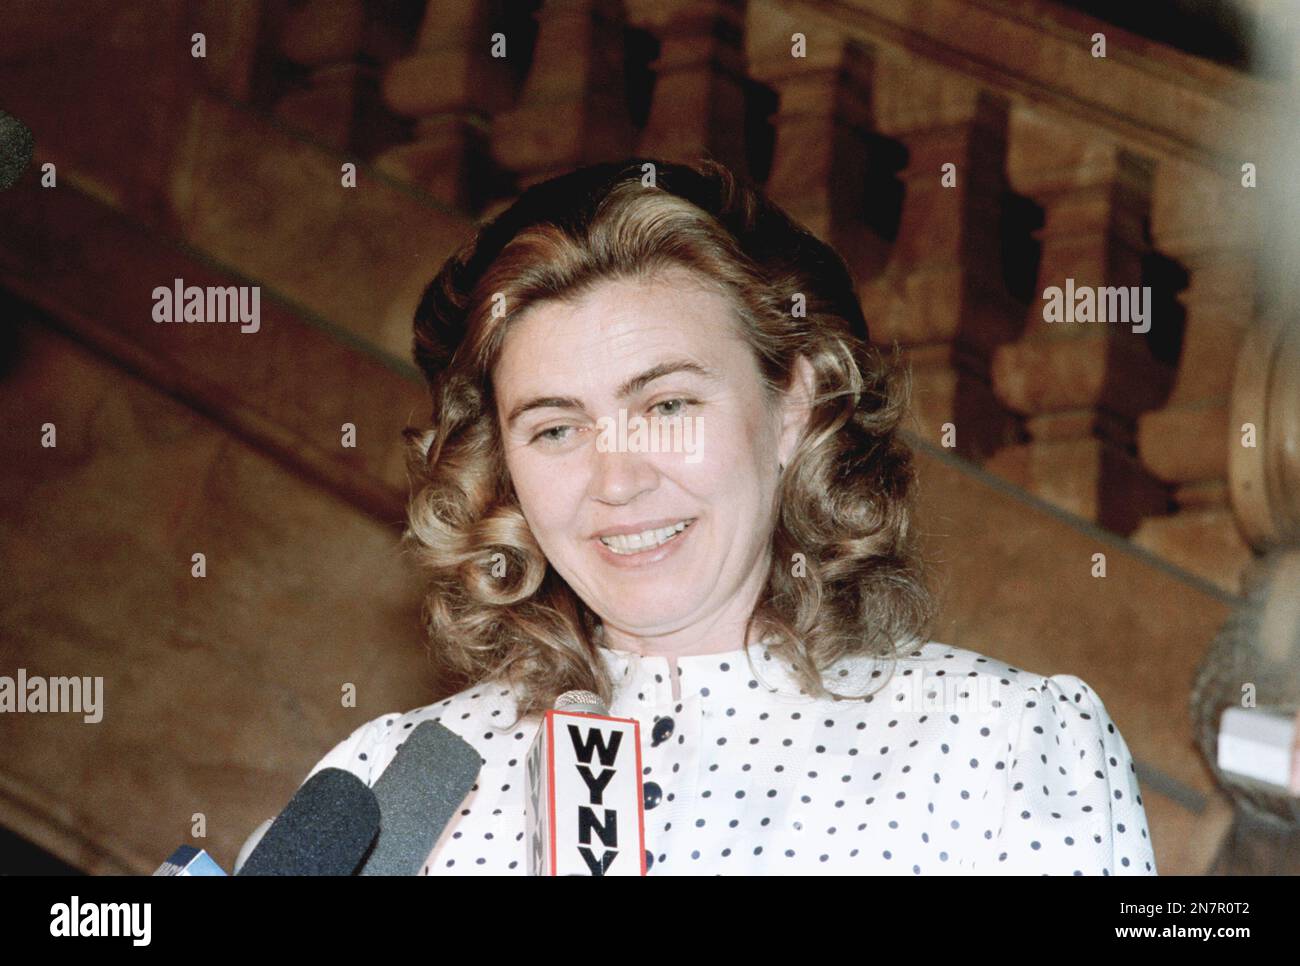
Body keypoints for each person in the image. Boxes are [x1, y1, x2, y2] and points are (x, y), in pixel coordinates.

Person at [302, 158, 1156, 875]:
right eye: (556, 427)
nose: (617, 480)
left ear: (795, 403)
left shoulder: (998, 745)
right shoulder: (390, 782)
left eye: (668, 405)